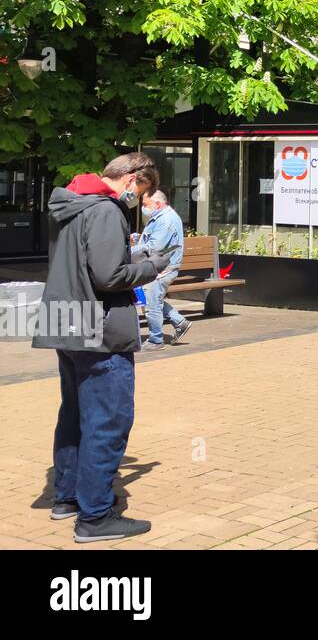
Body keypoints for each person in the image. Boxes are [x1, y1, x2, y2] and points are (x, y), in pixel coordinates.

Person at [33, 152, 173, 543]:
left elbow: (85, 264)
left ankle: (68, 498)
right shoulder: (106, 211)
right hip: (100, 328)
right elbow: (110, 275)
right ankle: (95, 516)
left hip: (67, 320)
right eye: (141, 190)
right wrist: (152, 265)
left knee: (75, 414)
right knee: (108, 420)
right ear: (131, 179)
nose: (137, 198)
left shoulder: (69, 204)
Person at [130, 189, 190, 350]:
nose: (143, 207)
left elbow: (154, 247)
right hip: (160, 266)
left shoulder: (165, 220)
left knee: (151, 303)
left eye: (145, 204)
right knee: (154, 299)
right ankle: (180, 322)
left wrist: (128, 250)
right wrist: (139, 238)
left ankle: (156, 340)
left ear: (158, 203)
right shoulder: (160, 217)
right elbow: (154, 240)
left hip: (162, 269)